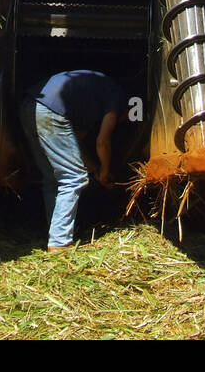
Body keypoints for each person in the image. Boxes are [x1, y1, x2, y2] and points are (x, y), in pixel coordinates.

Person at [19, 69, 129, 250]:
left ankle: (55, 233)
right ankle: (60, 242)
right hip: (50, 110)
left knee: (52, 178)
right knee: (73, 178)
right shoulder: (116, 98)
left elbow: (73, 142)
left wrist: (95, 169)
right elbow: (103, 141)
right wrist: (106, 171)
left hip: (29, 106)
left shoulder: (89, 100)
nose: (119, 122)